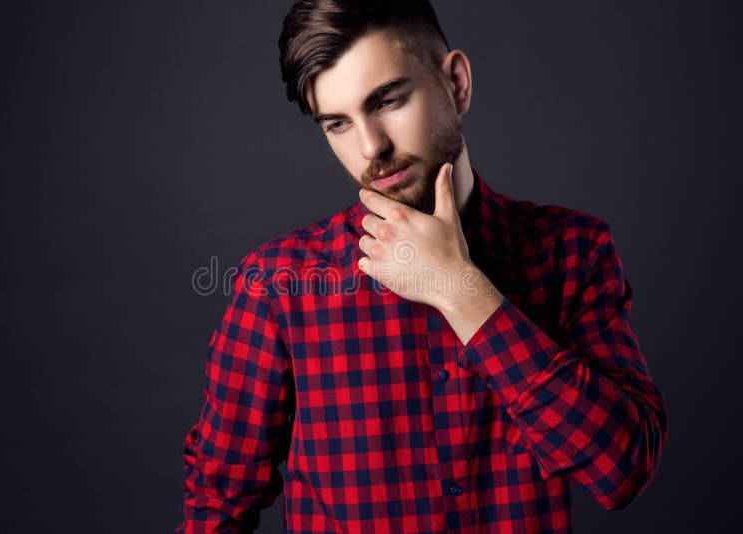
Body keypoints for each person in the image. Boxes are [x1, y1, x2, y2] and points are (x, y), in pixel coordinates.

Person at [175, 1, 668, 532]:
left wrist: (461, 290)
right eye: (338, 124)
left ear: (456, 83)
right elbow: (218, 506)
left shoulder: (572, 252)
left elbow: (622, 470)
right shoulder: (279, 286)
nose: (371, 147)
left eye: (388, 101)